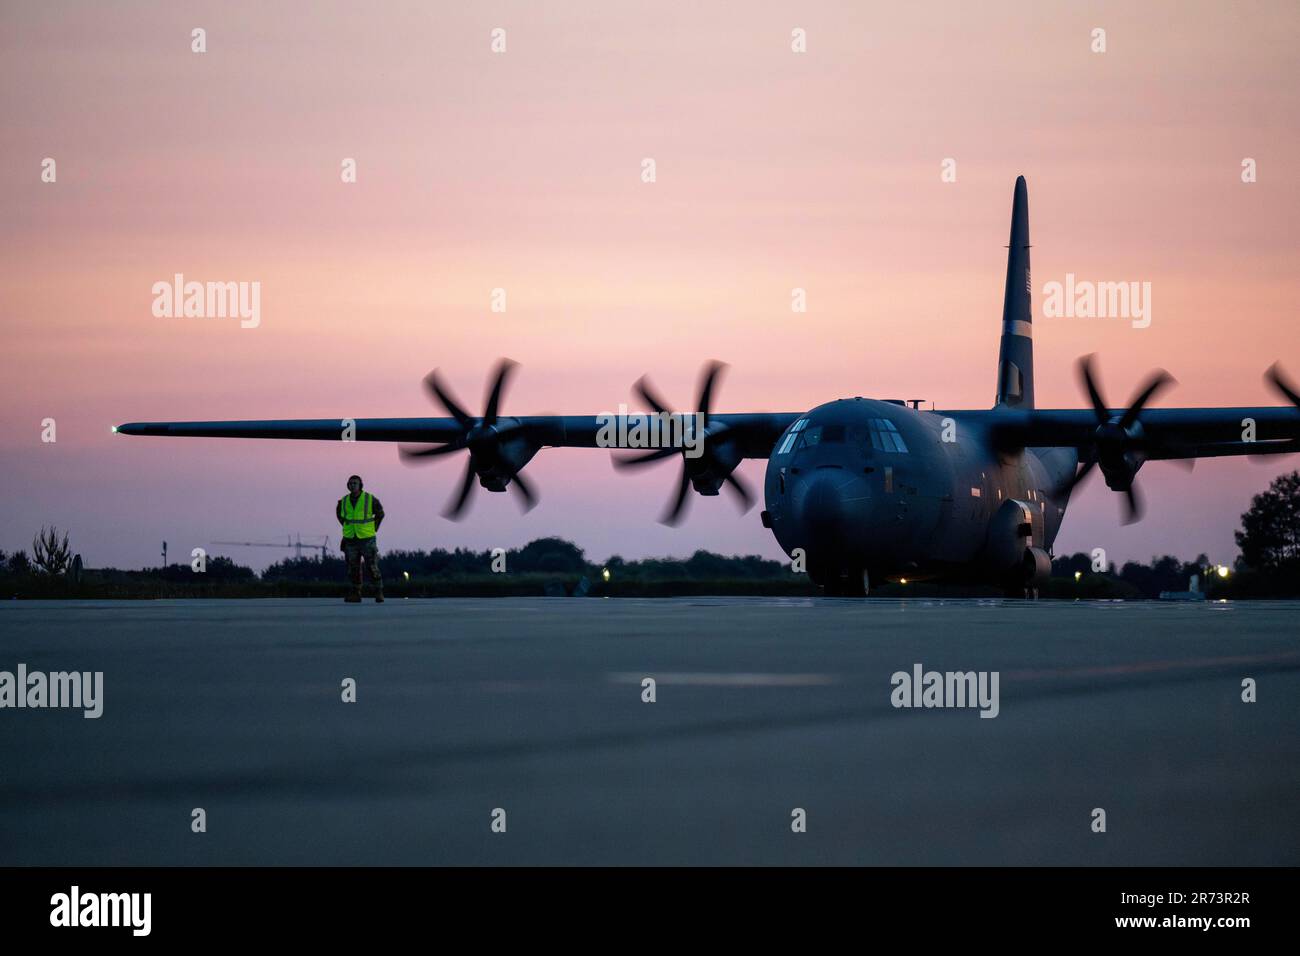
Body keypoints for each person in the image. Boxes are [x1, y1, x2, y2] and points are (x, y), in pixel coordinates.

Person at [337, 475, 385, 603]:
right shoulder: (344, 501)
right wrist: (347, 529)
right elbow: (340, 516)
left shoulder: (370, 499)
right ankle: (356, 593)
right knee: (353, 568)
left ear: (360, 485)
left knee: (372, 566)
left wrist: (374, 527)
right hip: (350, 539)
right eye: (350, 483)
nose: (352, 485)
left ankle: (379, 592)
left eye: (355, 483)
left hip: (367, 539)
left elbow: (380, 513)